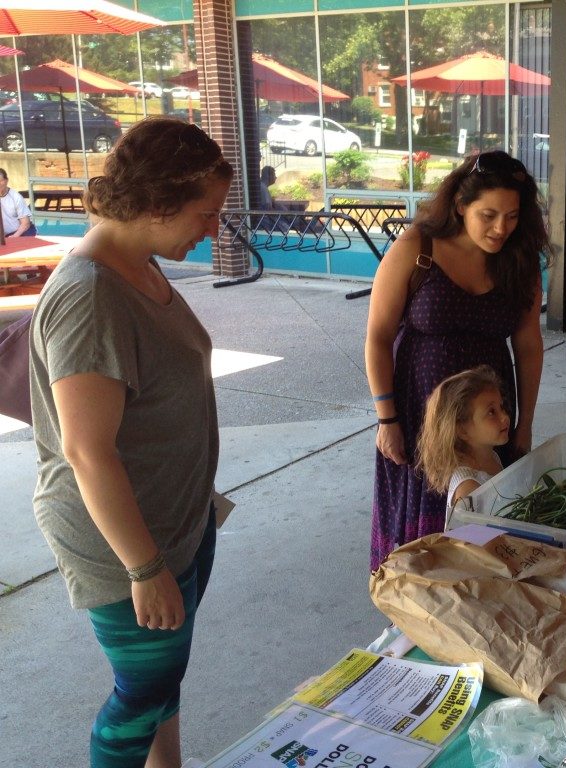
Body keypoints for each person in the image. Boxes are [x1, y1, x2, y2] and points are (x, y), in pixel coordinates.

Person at [29, 117, 232, 768]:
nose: (212, 230)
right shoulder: (91, 295)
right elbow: (88, 454)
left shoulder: (139, 263)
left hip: (176, 521)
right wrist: (144, 569)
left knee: (162, 684)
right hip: (125, 548)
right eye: (204, 215)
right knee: (139, 697)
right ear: (153, 204)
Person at [364, 150, 548, 571]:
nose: (502, 228)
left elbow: (529, 346)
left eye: (513, 215)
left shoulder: (519, 261)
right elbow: (377, 337)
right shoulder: (418, 246)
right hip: (417, 414)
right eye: (488, 215)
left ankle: (472, 604)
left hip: (488, 416)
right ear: (461, 205)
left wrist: (524, 424)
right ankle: (414, 609)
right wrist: (386, 418)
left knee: (481, 526)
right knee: (420, 534)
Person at [417, 365, 510, 512]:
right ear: (462, 429)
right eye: (491, 412)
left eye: (501, 407)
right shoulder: (468, 488)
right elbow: (469, 535)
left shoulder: (491, 456)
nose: (504, 417)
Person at [0, 167, 38, 238]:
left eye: (0, 181)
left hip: (20, 232)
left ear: (6, 181)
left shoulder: (16, 197)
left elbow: (25, 224)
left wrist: (14, 237)